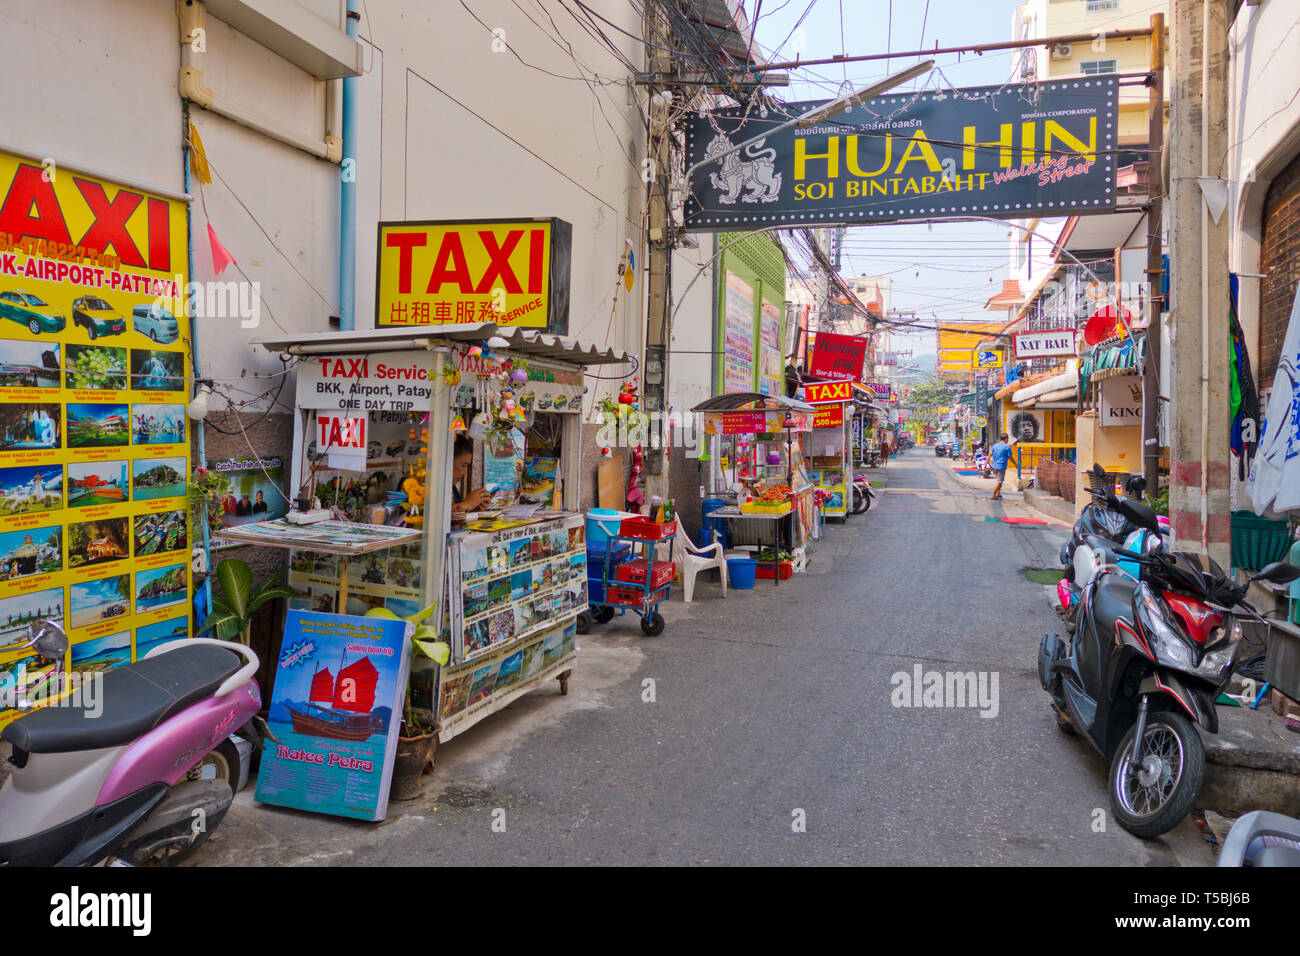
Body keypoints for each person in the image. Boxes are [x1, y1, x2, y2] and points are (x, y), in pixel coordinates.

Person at [452, 434, 492, 513]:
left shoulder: (453, 490)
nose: (464, 473)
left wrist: (472, 508)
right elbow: (439, 515)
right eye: (463, 466)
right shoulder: (431, 489)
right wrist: (467, 504)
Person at [990, 433, 1014, 501]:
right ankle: (993, 495)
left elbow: (989, 454)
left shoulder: (995, 446)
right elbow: (1010, 457)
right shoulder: (1007, 447)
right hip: (1001, 466)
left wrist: (986, 463)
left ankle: (998, 493)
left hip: (995, 465)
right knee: (999, 481)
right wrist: (1016, 464)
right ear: (1005, 439)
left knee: (999, 480)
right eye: (1007, 439)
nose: (1008, 440)